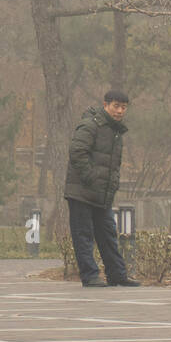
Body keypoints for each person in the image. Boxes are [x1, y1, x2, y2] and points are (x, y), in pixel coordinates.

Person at [64, 90, 139, 288]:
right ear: (105, 105)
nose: (120, 111)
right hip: (82, 192)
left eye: (123, 107)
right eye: (116, 106)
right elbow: (77, 152)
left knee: (108, 235)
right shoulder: (90, 125)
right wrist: (91, 177)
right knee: (84, 236)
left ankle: (117, 275)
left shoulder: (116, 131)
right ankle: (90, 276)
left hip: (102, 193)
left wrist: (109, 185)